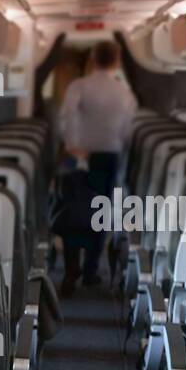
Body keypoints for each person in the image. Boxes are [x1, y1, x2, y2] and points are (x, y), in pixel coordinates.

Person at [56, 40, 137, 295]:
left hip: (77, 155)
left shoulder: (78, 86)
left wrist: (73, 146)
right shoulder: (124, 94)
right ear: (117, 61)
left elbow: (66, 118)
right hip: (108, 158)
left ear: (93, 58)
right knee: (99, 214)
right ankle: (90, 271)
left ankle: (70, 272)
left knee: (71, 212)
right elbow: (127, 132)